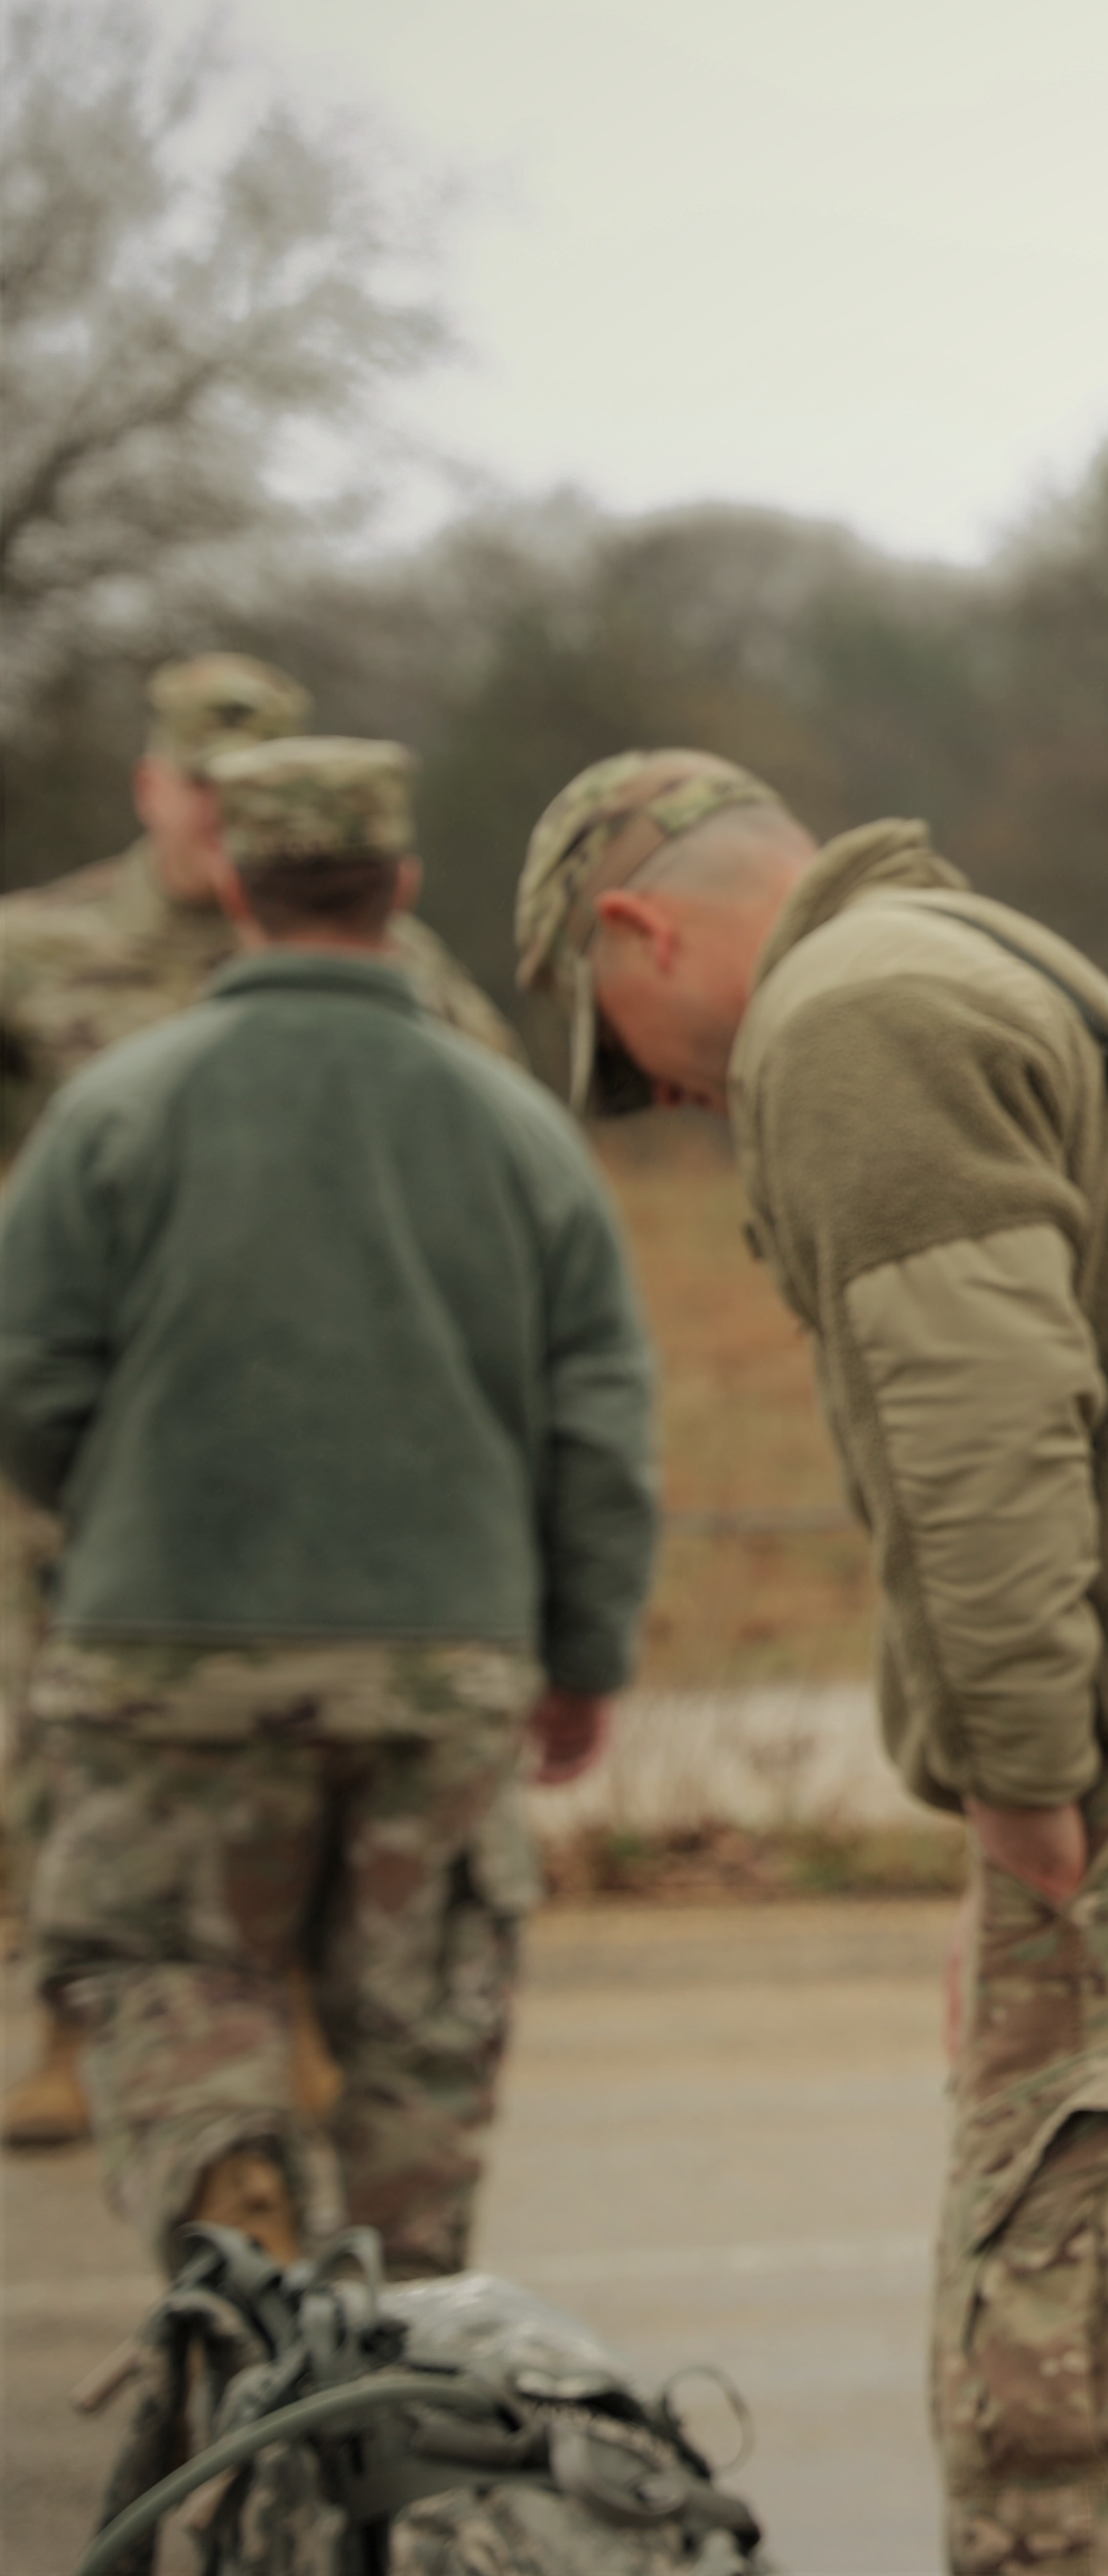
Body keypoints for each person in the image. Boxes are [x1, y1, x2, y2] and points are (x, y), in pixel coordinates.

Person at [510, 748, 1108, 2576]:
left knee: (1070, 2416)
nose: (662, 1095)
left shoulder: (850, 1017)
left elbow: (975, 1433)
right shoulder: (971, 954)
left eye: (626, 1046)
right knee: (1098, 2375)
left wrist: (1019, 1794)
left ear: (636, 925)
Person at [0, 736, 655, 2274]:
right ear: (405, 889)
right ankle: (403, 2317)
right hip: (442, 1655)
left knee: (173, 1963)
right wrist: (585, 1646)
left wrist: (124, 1507)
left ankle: (229, 2178)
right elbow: (599, 1416)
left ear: (231, 879)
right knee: (421, 2015)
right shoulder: (513, 1127)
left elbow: (25, 1368)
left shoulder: (114, 1109)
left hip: (167, 1649)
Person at [0, 654, 518, 2153]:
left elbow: (489, 1127)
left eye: (259, 795)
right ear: (154, 785)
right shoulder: (40, 950)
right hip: (107, 1404)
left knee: (310, 1722)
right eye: (203, 792)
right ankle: (73, 2022)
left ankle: (284, 2012)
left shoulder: (388, 957)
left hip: (329, 1398)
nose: (226, 823)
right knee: (65, 1725)